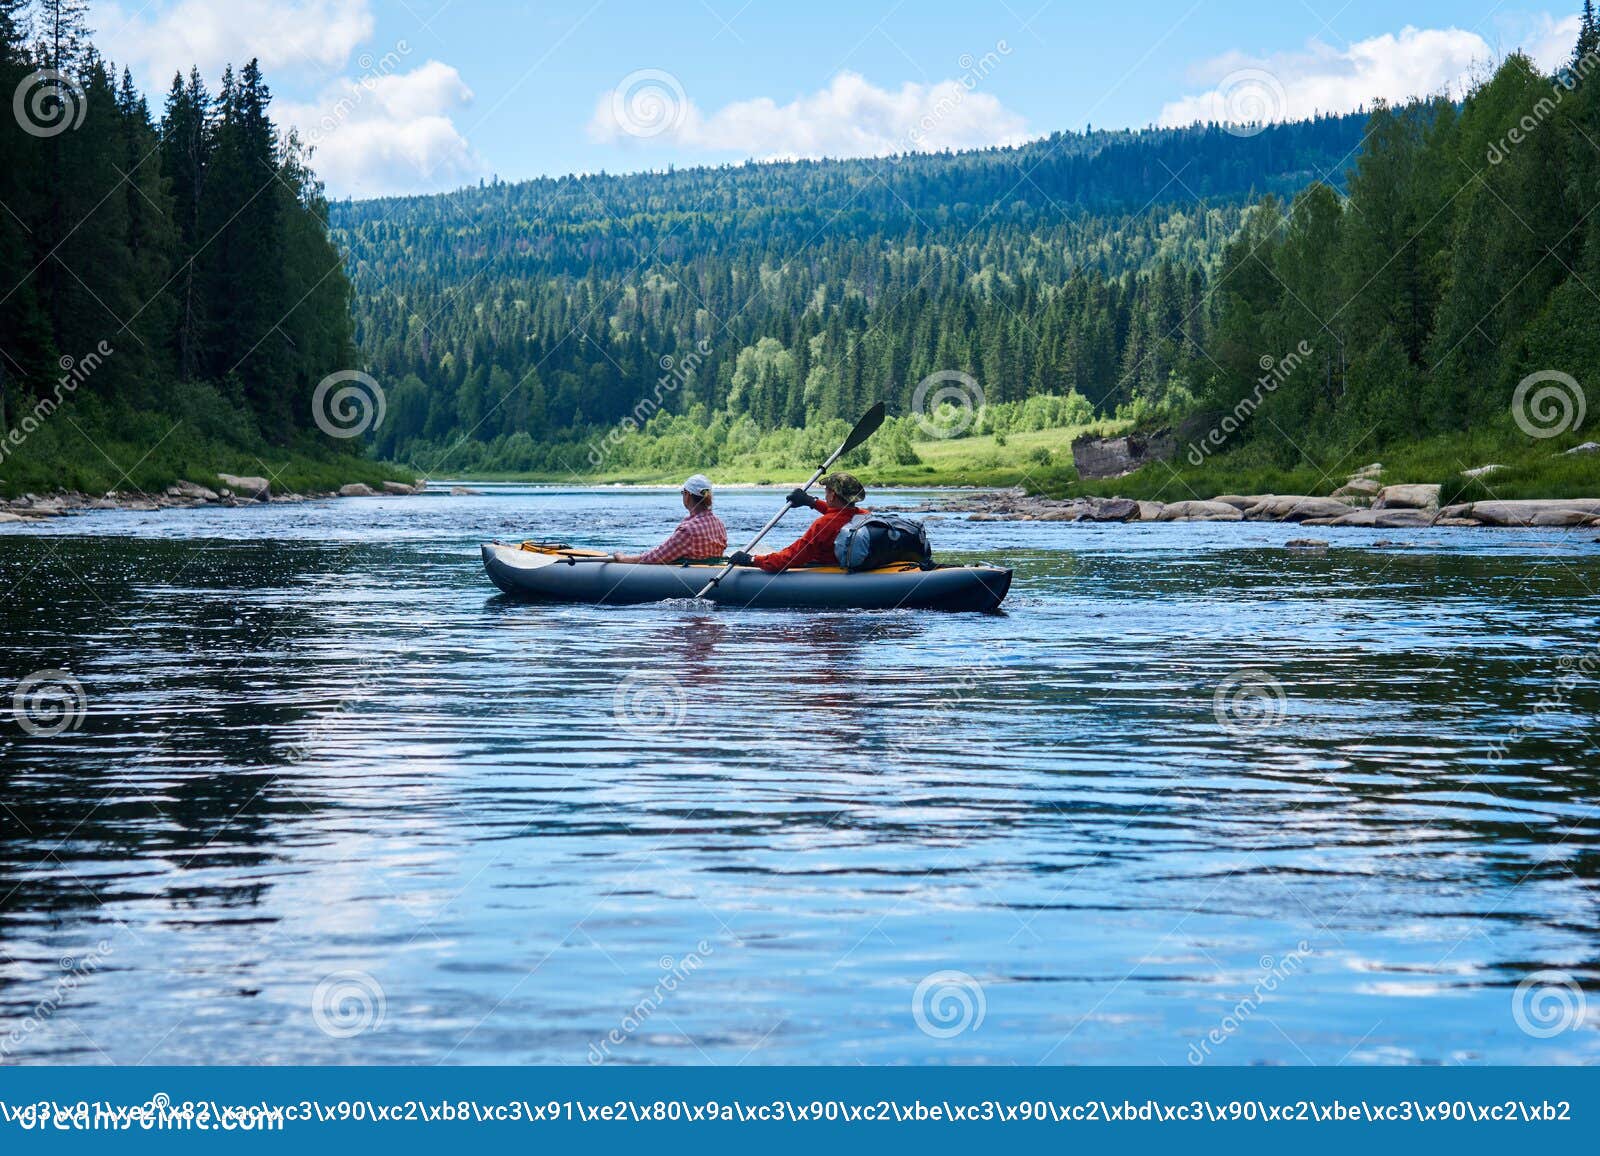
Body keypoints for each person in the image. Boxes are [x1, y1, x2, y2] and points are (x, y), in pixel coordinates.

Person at [728, 472, 866, 573]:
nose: (825, 494)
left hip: (826, 569)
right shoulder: (864, 515)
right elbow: (841, 514)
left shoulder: (823, 525)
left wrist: (752, 560)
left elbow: (789, 558)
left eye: (826, 491)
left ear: (832, 495)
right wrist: (811, 501)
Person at [611, 474, 727, 564]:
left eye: (683, 493)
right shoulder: (719, 524)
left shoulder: (688, 530)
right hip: (709, 573)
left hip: (691, 575)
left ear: (687, 495)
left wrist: (624, 558)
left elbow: (657, 556)